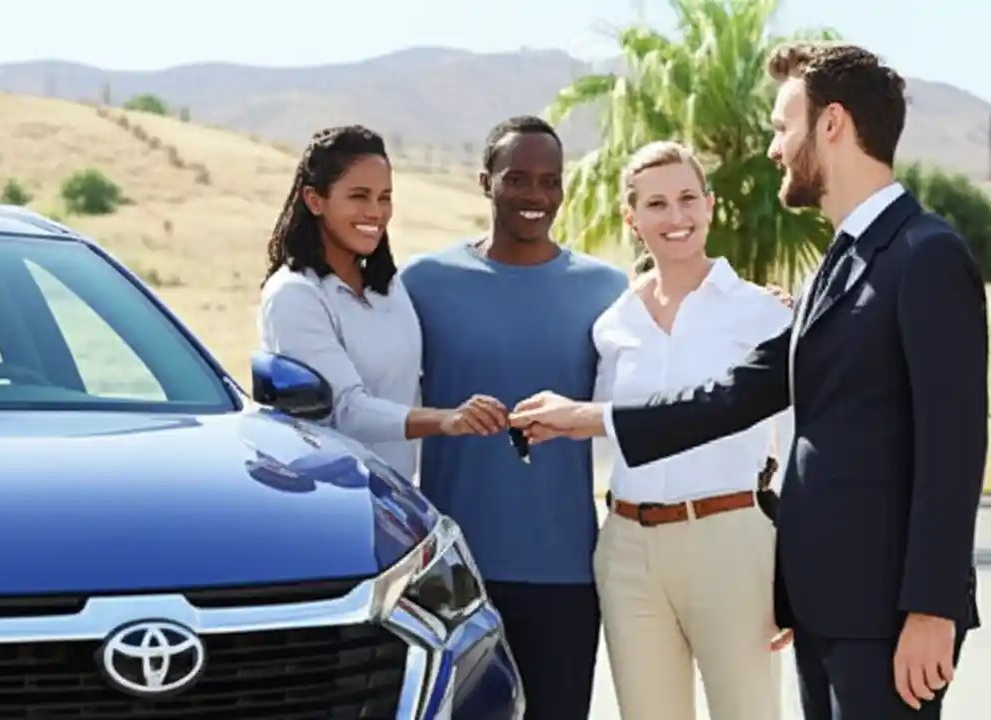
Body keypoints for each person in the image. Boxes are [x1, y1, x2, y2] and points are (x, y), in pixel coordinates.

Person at [508, 42, 985, 720]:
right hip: (828, 606)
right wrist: (590, 417)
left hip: (888, 615)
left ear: (832, 125)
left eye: (782, 126)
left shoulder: (926, 254)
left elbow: (954, 448)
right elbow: (736, 395)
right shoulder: (836, 267)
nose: (773, 148)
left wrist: (933, 609)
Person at [400, 115, 628, 719]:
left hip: (564, 569)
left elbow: (665, 369)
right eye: (518, 178)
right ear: (486, 182)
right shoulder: (424, 284)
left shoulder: (606, 289)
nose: (536, 195)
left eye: (550, 181)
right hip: (451, 573)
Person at [590, 139, 795, 720]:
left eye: (687, 199)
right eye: (655, 204)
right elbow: (603, 444)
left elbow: (798, 447)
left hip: (731, 541)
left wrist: (795, 574)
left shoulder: (764, 312)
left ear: (709, 206)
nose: (675, 216)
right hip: (628, 549)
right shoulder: (612, 324)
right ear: (631, 219)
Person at [258, 124, 507, 482]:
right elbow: (345, 410)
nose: (375, 212)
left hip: (395, 495)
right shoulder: (295, 295)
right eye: (359, 196)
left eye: (384, 197)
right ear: (315, 200)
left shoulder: (388, 288)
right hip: (333, 495)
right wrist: (446, 420)